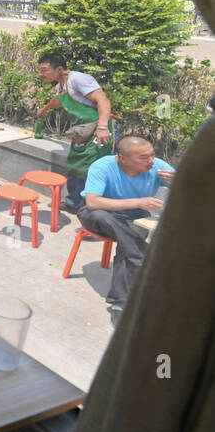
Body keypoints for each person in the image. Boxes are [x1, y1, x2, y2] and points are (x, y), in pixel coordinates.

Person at [76, 136, 174, 323]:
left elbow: (194, 185)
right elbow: (93, 202)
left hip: (134, 218)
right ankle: (141, 255)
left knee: (129, 242)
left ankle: (120, 303)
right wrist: (139, 202)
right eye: (144, 158)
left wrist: (179, 179)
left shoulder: (157, 166)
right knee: (102, 216)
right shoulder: (102, 166)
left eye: (152, 155)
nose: (151, 161)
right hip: (99, 214)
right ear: (123, 159)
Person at [35, 52, 114, 212]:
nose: (40, 74)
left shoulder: (78, 79)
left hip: (98, 131)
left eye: (44, 70)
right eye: (40, 70)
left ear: (59, 69)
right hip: (82, 133)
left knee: (94, 169)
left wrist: (103, 127)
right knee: (75, 165)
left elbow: (103, 100)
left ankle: (93, 212)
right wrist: (45, 109)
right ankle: (73, 203)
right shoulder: (61, 86)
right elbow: (59, 99)